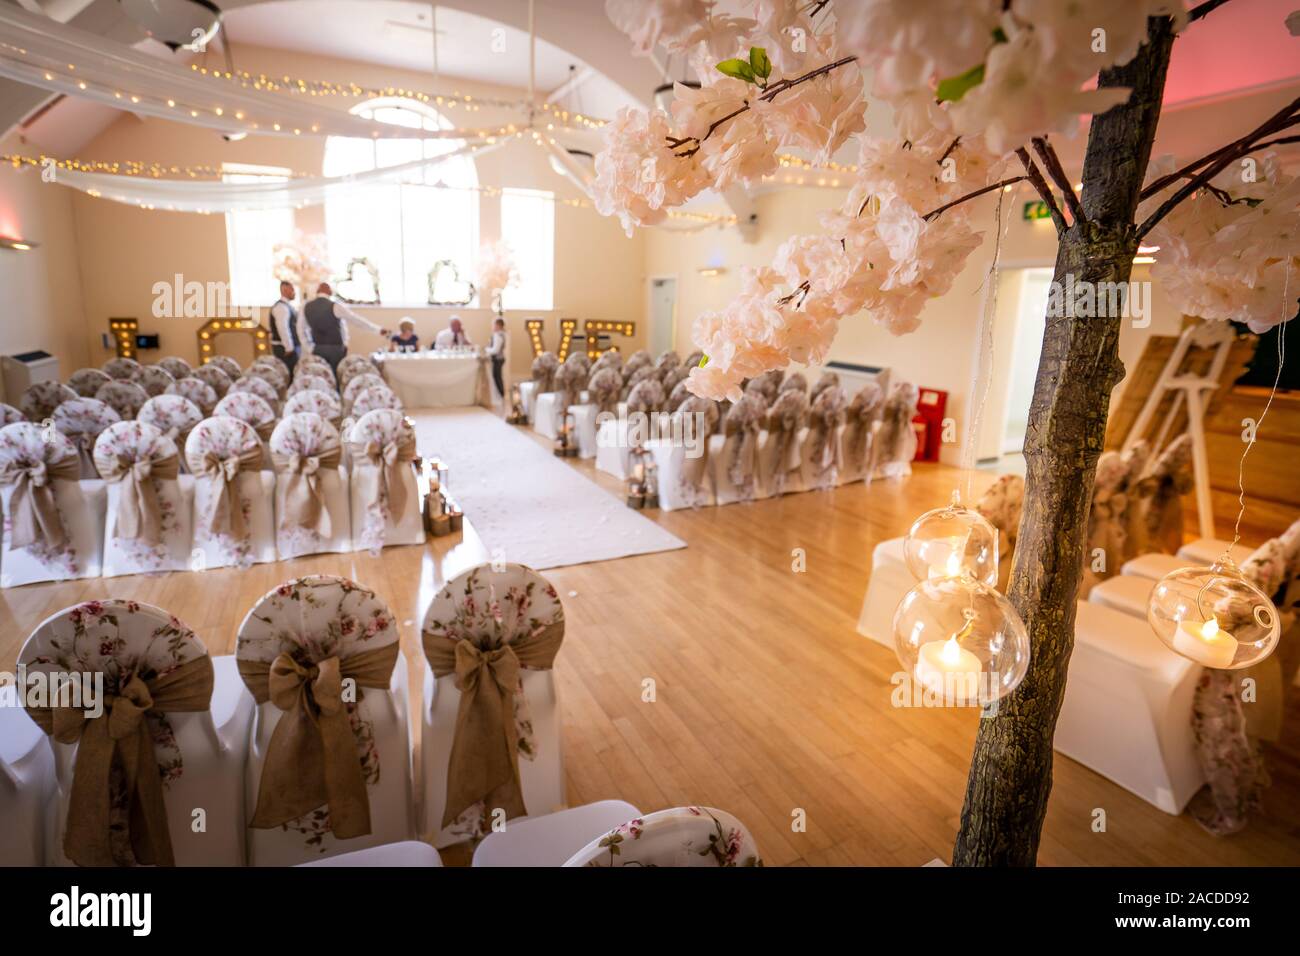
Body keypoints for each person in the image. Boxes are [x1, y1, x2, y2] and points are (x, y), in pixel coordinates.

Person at [298, 282, 388, 375]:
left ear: (317, 291)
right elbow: (356, 320)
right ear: (329, 291)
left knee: (321, 376)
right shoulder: (335, 306)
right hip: (336, 349)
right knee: (337, 377)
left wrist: (309, 347)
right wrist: (377, 329)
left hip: (317, 348)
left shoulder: (306, 306)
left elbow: (301, 330)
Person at [268, 280, 300, 375]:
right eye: (292, 290)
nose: (294, 293)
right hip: (284, 348)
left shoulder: (287, 306)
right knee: (288, 374)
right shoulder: (281, 307)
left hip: (289, 347)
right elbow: (283, 328)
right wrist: (289, 347)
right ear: (285, 290)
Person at [485, 316, 508, 399]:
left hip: (498, 359)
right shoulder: (502, 334)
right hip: (500, 358)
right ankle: (500, 394)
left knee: (497, 377)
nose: (493, 327)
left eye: (494, 325)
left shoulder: (498, 335)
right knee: (498, 376)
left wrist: (486, 349)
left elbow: (496, 350)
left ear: (498, 325)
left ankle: (500, 394)